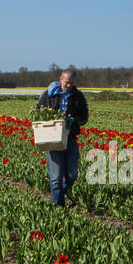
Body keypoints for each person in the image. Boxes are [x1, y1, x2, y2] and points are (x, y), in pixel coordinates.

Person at [35, 69, 89, 206]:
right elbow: (37, 111)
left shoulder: (78, 96)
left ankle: (62, 193)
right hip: (52, 139)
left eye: (71, 83)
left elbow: (84, 117)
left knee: (72, 175)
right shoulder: (49, 94)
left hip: (70, 139)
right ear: (60, 79)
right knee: (55, 178)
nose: (69, 85)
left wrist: (73, 121)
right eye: (66, 82)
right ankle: (58, 207)